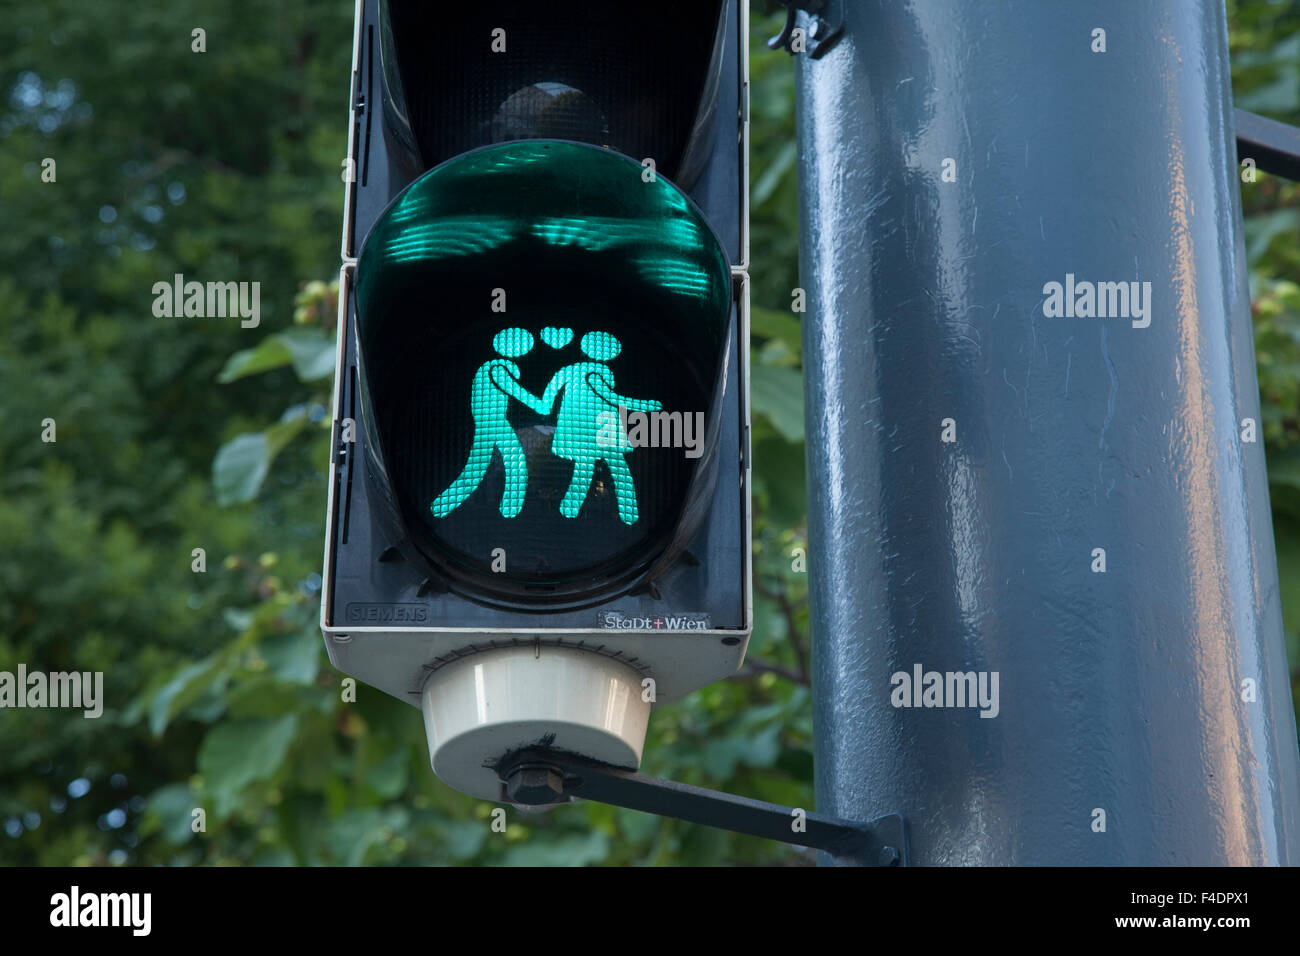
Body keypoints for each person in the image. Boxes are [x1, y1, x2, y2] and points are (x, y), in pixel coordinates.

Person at [539, 331, 661, 525]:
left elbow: (551, 391)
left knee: (583, 470)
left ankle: (569, 510)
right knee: (619, 468)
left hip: (576, 428)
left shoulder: (569, 369)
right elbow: (611, 397)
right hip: (600, 426)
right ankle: (628, 514)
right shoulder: (597, 371)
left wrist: (542, 407)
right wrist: (646, 406)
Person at [430, 327, 548, 519]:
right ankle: (507, 508)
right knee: (505, 465)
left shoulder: (492, 367)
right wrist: (539, 405)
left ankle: (443, 507)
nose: (524, 350)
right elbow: (515, 390)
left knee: (487, 467)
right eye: (522, 346)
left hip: (490, 422)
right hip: (493, 422)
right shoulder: (497, 368)